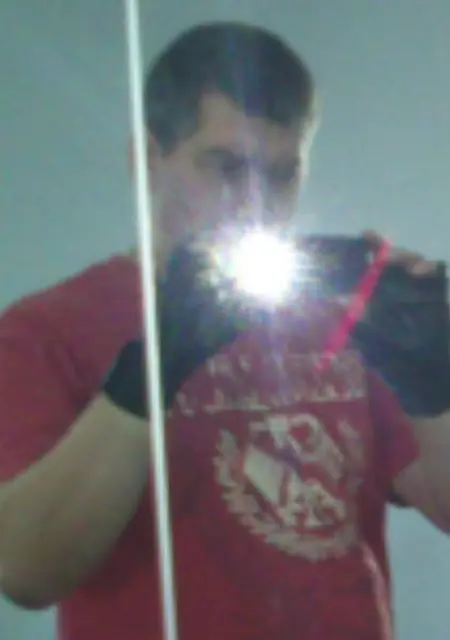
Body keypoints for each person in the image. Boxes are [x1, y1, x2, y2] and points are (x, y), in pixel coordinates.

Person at [1, 21, 450, 640]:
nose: (255, 204)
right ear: (147, 159)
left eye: (281, 174)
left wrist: (430, 382)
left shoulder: (343, 317)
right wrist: (147, 375)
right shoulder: (46, 329)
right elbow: (25, 570)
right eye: (227, 168)